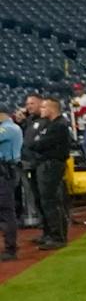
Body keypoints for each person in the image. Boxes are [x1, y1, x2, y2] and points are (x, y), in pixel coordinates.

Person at [25, 94, 71, 249]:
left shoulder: (58, 125)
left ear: (52, 109)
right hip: (46, 165)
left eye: (44, 107)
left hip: (51, 165)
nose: (41, 109)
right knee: (47, 201)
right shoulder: (52, 124)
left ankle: (57, 237)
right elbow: (33, 143)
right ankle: (52, 234)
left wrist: (37, 142)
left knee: (50, 201)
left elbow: (37, 144)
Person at [0, 102, 21, 259]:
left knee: (6, 211)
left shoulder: (8, 128)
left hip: (5, 172)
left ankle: (11, 248)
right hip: (5, 171)